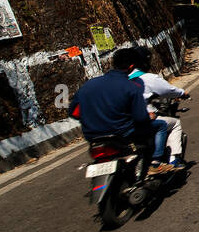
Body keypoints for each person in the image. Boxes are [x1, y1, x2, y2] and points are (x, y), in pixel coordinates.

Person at [70, 47, 170, 177]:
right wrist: (148, 116)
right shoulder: (131, 86)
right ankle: (155, 163)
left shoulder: (88, 85)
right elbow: (140, 117)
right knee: (161, 125)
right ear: (132, 66)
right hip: (122, 133)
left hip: (92, 136)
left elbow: (74, 112)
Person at [128, 47, 189, 169]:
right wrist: (183, 93)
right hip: (142, 119)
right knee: (174, 123)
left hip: (124, 122)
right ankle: (171, 160)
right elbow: (168, 90)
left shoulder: (122, 79)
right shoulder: (147, 78)